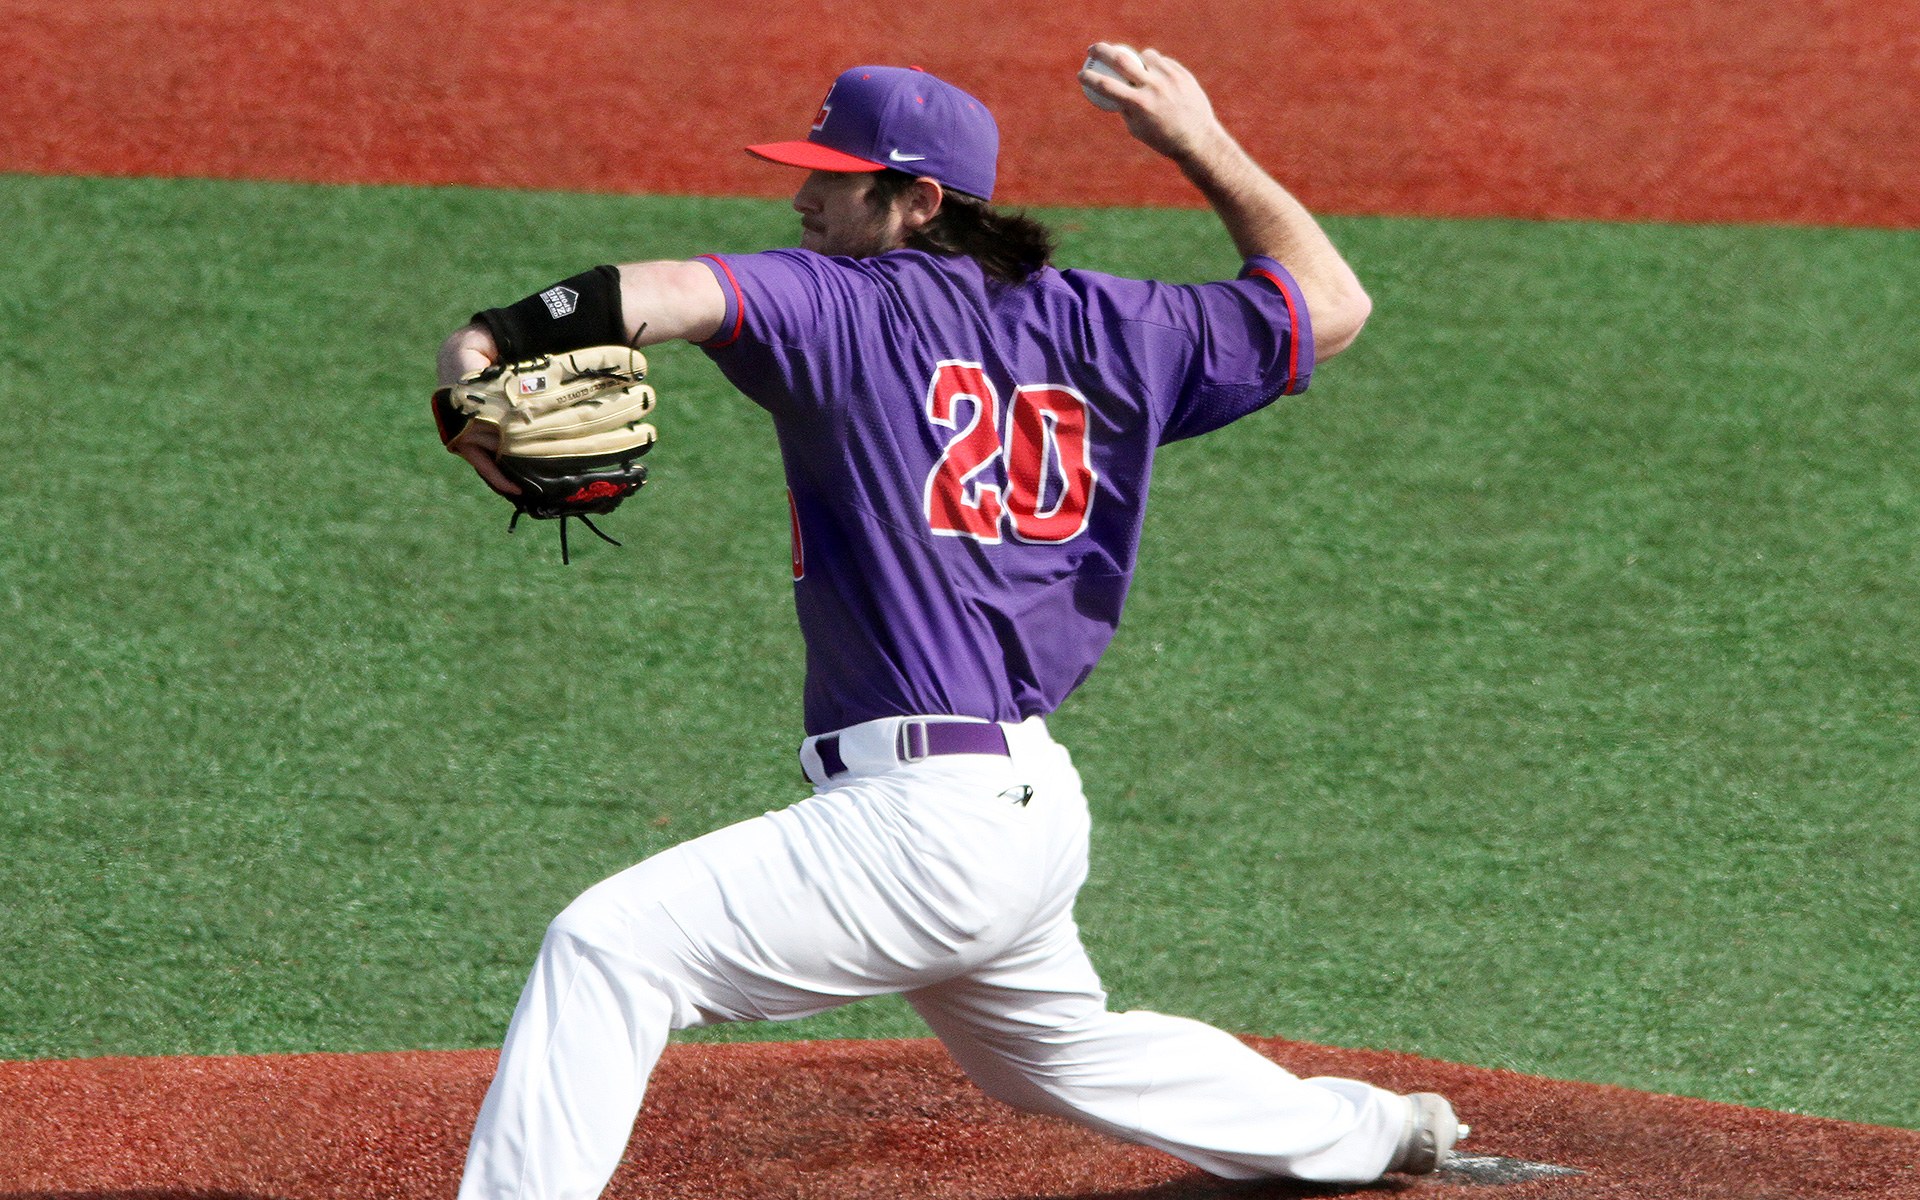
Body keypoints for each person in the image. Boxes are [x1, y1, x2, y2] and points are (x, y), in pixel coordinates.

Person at [435, 44, 1463, 1200]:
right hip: (1024, 809)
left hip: (921, 828)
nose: (801, 197)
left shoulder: (835, 303)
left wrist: (479, 350)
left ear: (919, 201)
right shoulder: (1117, 324)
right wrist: (1197, 142)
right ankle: (1370, 1135)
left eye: (834, 177)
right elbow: (1333, 305)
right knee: (1055, 1052)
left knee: (610, 946)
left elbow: (653, 294)